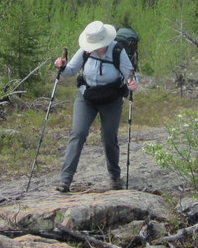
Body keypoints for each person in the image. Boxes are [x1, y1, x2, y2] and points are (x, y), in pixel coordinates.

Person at [54, 21, 139, 193]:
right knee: (77, 133)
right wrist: (62, 67)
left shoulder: (117, 51)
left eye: (98, 45)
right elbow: (70, 71)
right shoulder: (85, 50)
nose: (95, 48)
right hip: (87, 97)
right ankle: (65, 180)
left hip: (111, 99)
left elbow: (131, 74)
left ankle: (115, 176)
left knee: (109, 138)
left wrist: (133, 83)